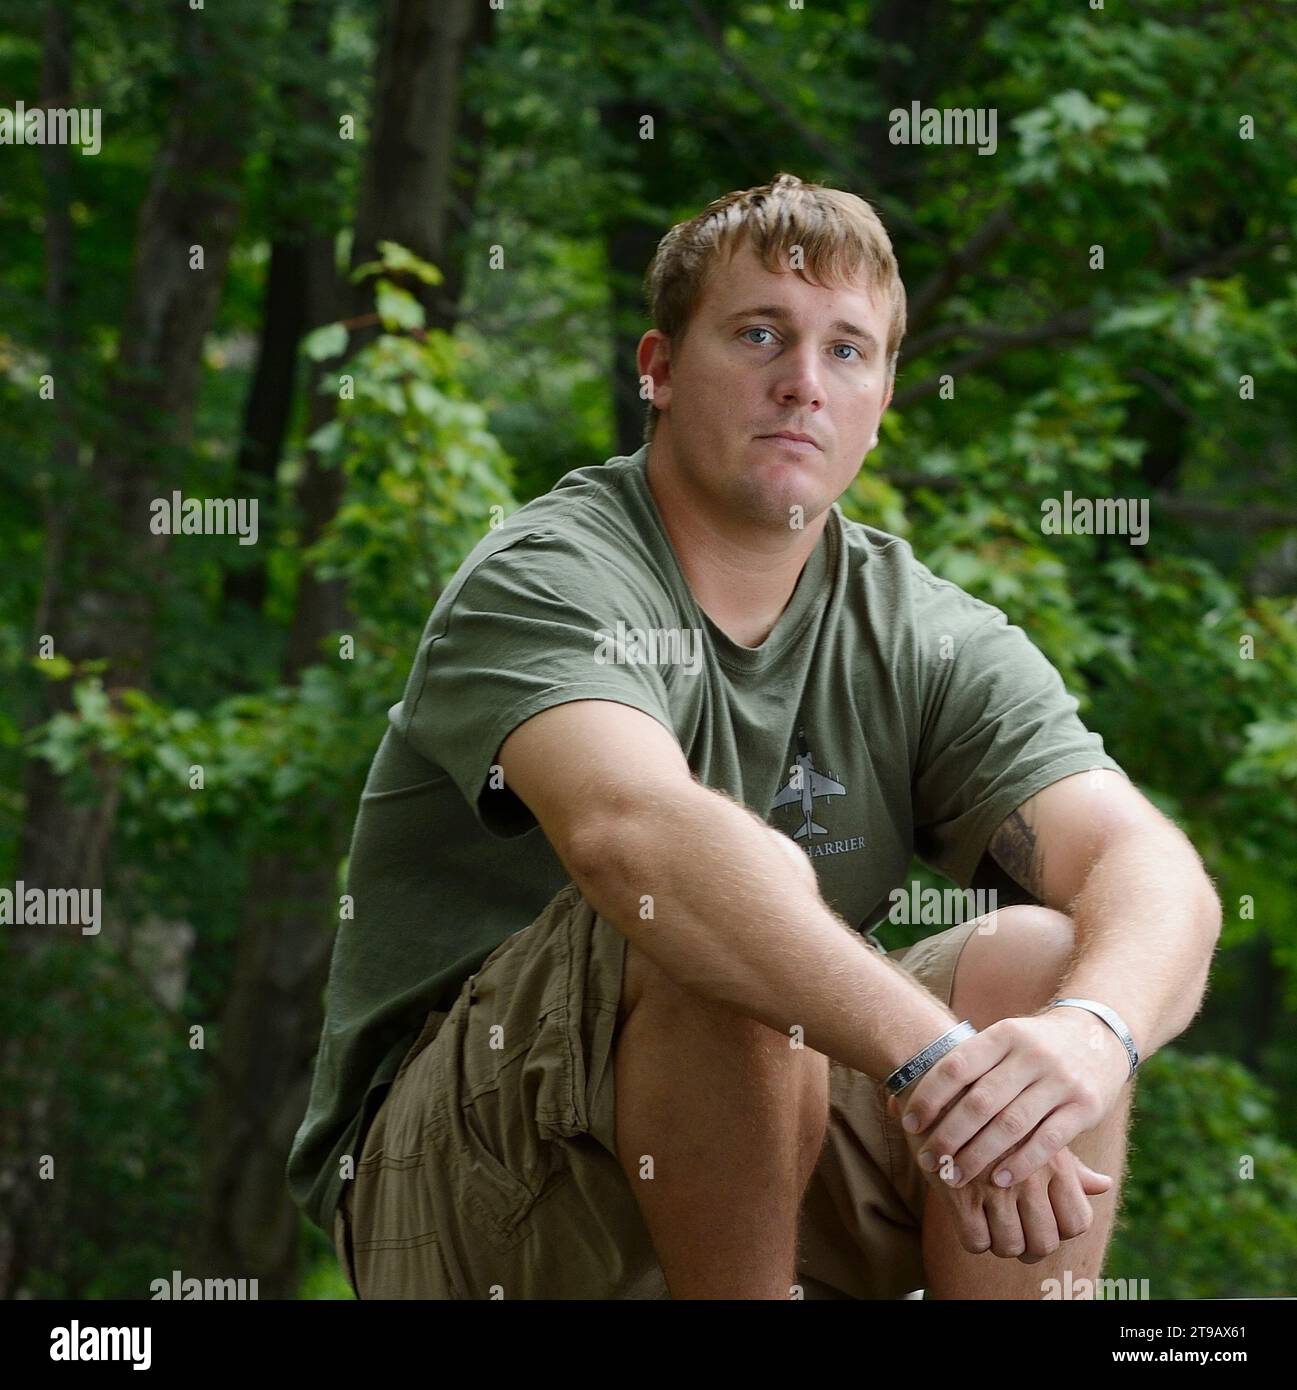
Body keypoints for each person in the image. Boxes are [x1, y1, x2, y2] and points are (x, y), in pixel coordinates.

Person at [286, 171, 1221, 1300]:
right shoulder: (549, 573)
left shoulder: (919, 630)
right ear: (660, 370)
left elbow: (1150, 868)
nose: (801, 384)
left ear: (882, 397)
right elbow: (633, 838)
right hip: (465, 1189)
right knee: (719, 907)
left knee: (1041, 965)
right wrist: (932, 1063)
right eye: (760, 334)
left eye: (845, 351)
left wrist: (1088, 1036)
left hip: (754, 1163)